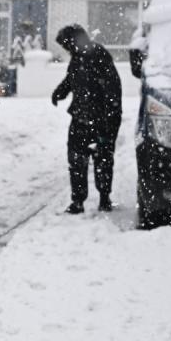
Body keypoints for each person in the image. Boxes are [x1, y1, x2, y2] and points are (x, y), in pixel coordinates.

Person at [51, 24, 123, 213]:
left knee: (103, 160)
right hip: (80, 116)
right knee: (76, 160)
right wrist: (60, 92)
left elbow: (112, 87)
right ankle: (78, 201)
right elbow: (71, 78)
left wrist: (110, 116)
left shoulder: (98, 55)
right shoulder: (77, 57)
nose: (65, 49)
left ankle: (104, 198)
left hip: (101, 119)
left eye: (66, 45)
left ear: (74, 40)